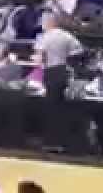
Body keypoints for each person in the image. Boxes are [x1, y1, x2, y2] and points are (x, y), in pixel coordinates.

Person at [34, 12, 83, 153]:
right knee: (62, 109)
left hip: (52, 72)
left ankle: (52, 143)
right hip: (64, 72)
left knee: (52, 110)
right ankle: (63, 143)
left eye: (43, 22)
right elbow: (79, 51)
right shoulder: (66, 35)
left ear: (49, 22)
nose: (42, 25)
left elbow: (39, 59)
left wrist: (40, 63)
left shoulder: (45, 37)